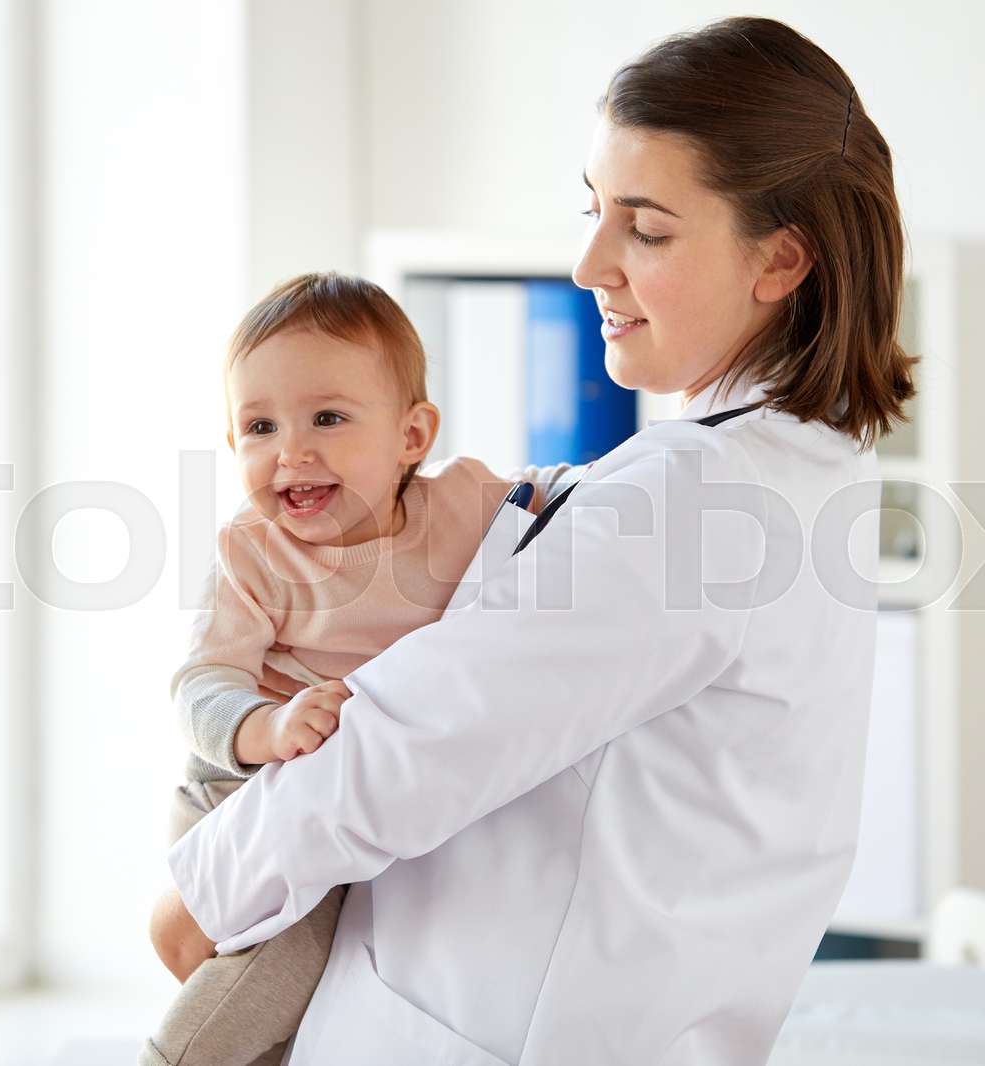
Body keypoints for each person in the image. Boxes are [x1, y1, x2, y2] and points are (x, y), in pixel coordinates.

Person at [161, 16, 916, 1065]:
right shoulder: (786, 462)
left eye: (644, 230)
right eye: (593, 212)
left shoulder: (696, 495)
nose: (587, 262)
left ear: (779, 259)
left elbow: (414, 742)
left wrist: (201, 892)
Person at [141, 272, 577, 1066]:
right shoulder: (253, 552)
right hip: (246, 796)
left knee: (326, 1017)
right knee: (277, 974)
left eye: (328, 419)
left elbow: (564, 496)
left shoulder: (466, 503)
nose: (291, 452)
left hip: (361, 803)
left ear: (412, 437)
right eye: (259, 426)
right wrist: (266, 726)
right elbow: (200, 688)